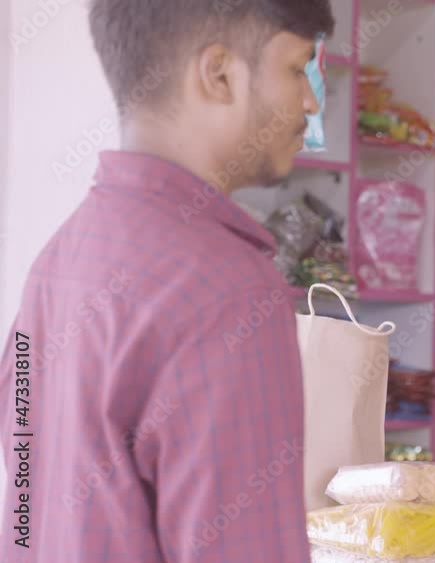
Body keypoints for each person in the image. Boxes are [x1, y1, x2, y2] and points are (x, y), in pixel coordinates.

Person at [0, 1, 334, 561]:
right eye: (298, 68)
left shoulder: (61, 259)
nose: (309, 101)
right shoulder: (229, 291)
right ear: (219, 73)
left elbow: (26, 494)